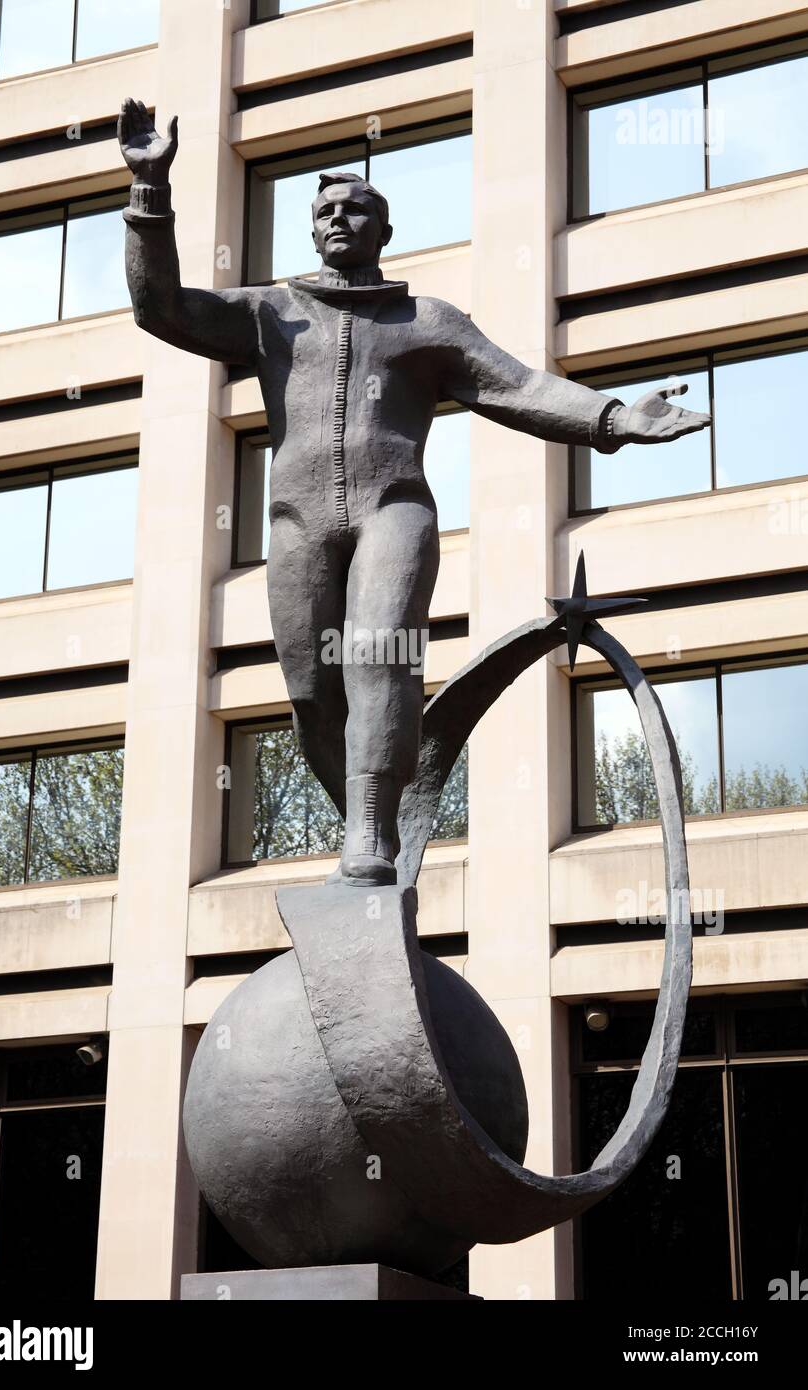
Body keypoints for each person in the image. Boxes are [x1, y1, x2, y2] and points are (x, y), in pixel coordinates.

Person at [118, 99, 711, 886]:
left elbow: (518, 387)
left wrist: (614, 416)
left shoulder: (426, 321)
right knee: (312, 693)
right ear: (311, 228)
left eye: (357, 208)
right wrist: (150, 194)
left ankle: (370, 831)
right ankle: (375, 814)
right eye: (325, 209)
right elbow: (160, 307)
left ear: (383, 233)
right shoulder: (270, 314)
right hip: (298, 523)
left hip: (393, 509)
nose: (339, 218)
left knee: (379, 660)